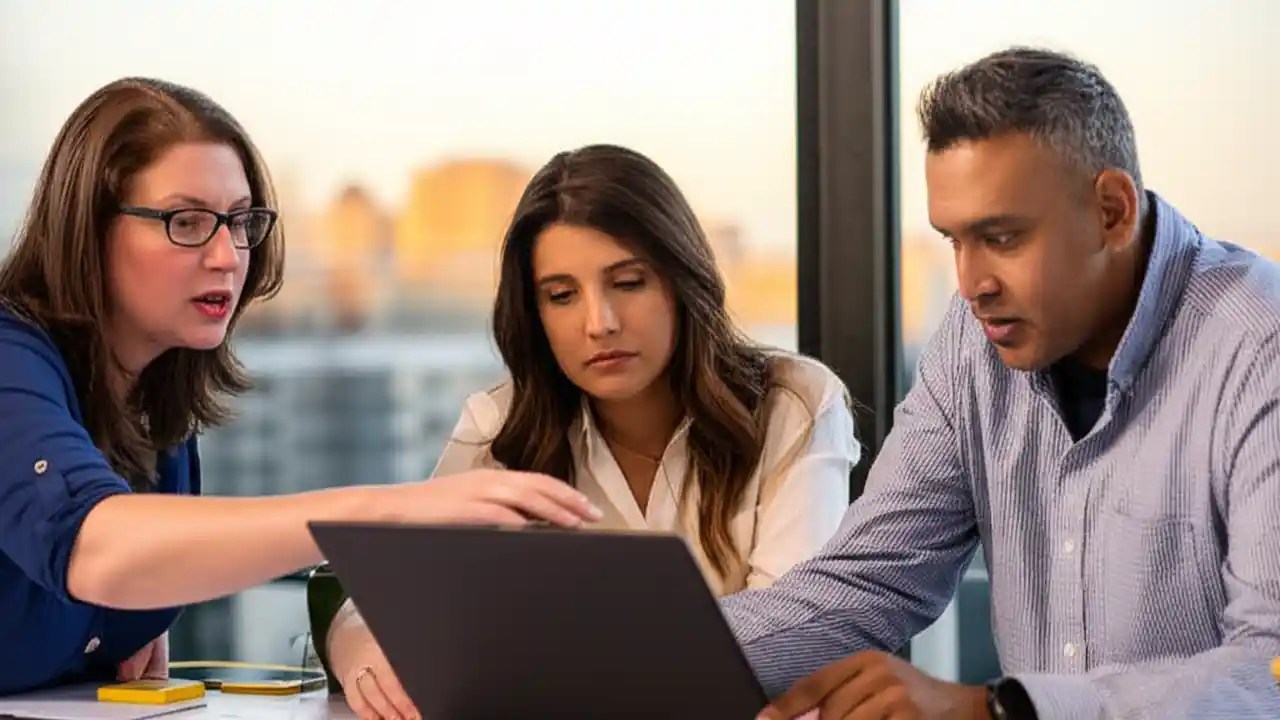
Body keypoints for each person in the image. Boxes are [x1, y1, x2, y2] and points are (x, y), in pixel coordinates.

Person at [722, 46, 1280, 720]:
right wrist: (645, 660)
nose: (972, 284)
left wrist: (996, 710)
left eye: (1003, 237)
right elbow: (870, 579)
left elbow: (1268, 668)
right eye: (954, 239)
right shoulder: (972, 341)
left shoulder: (1259, 344)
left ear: (1112, 210)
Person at [0, 77, 603, 697]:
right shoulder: (11, 360)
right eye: (186, 221)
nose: (228, 255)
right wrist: (382, 512)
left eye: (239, 222)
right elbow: (93, 549)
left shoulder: (158, 402)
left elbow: (126, 576)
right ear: (88, 226)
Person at [320, 144, 861, 720]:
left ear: (681, 281)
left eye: (628, 282)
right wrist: (363, 651)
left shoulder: (793, 404)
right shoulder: (502, 427)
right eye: (562, 296)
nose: (599, 322)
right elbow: (377, 605)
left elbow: (794, 636)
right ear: (535, 314)